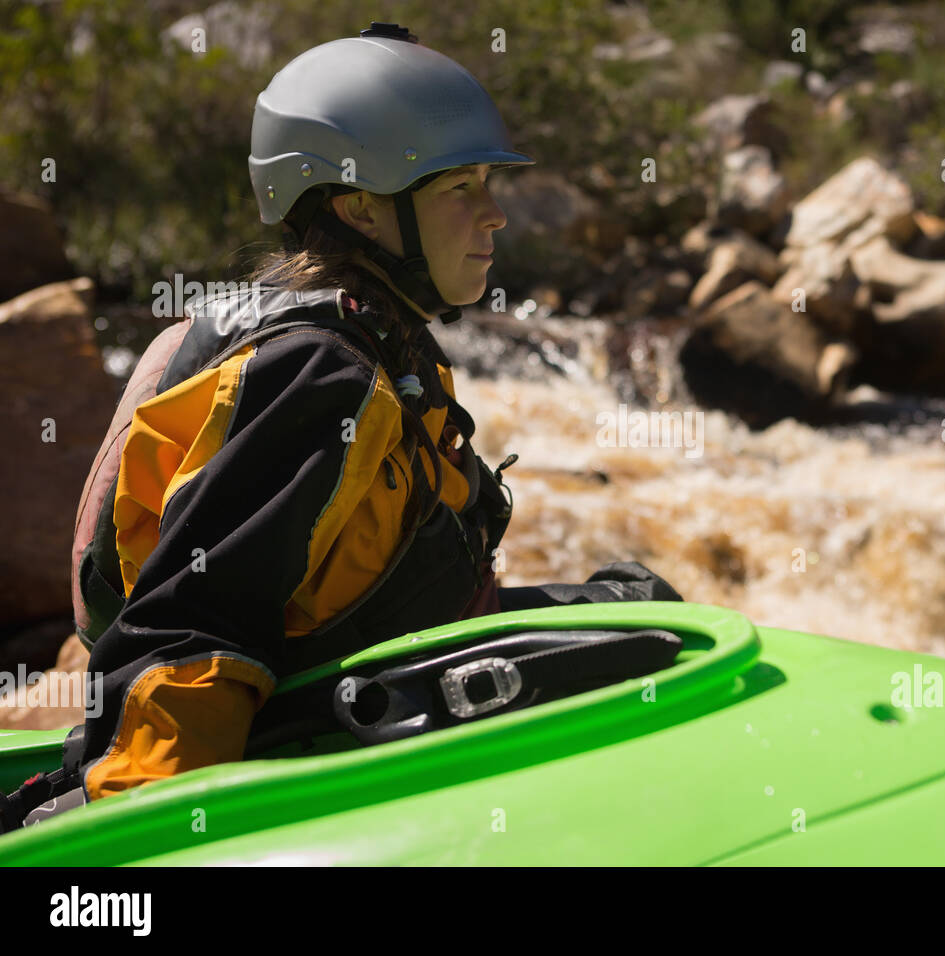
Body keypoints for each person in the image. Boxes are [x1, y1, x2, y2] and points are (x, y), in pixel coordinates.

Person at [71, 23, 682, 805]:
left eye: (489, 185)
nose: (494, 216)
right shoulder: (319, 367)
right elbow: (192, 626)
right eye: (461, 189)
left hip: (386, 663)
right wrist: (154, 831)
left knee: (642, 601)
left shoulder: (372, 336)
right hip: (326, 715)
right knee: (659, 632)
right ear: (362, 210)